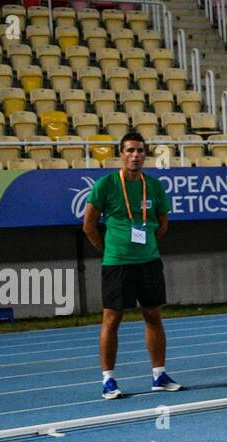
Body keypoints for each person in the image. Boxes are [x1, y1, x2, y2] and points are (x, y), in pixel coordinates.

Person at [82, 131, 181, 399]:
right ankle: (108, 380)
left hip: (148, 261)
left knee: (153, 316)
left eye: (139, 150)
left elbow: (162, 224)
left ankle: (159, 375)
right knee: (112, 319)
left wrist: (146, 243)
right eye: (129, 150)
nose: (135, 155)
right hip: (117, 263)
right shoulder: (106, 185)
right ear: (121, 154)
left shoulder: (155, 186)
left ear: (145, 154)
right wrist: (108, 249)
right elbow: (89, 225)